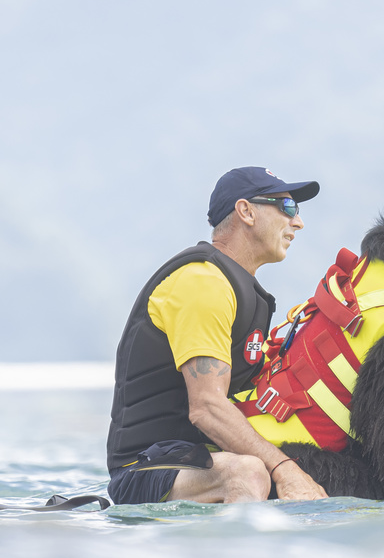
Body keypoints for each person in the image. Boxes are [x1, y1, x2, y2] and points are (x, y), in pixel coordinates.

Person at [105, 167, 330, 505]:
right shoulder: (203, 283)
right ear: (246, 212)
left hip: (201, 460)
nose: (297, 222)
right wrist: (286, 470)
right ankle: (237, 542)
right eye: (287, 207)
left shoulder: (241, 291)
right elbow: (206, 408)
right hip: (146, 469)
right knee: (250, 472)